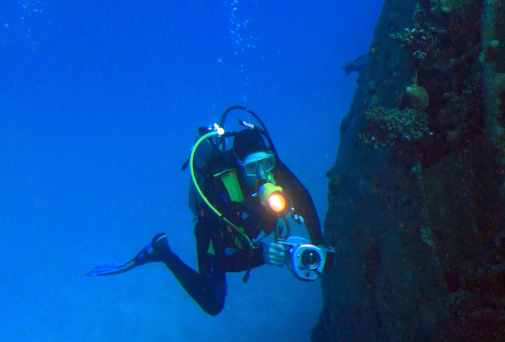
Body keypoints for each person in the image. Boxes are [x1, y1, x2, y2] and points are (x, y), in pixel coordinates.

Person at [87, 108, 327, 315]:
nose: (262, 174)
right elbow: (223, 260)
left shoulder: (271, 168)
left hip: (247, 229)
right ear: (239, 165)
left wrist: (320, 244)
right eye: (253, 167)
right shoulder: (218, 187)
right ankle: (162, 252)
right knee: (213, 305)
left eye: (265, 163)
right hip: (215, 234)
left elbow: (303, 198)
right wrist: (260, 257)